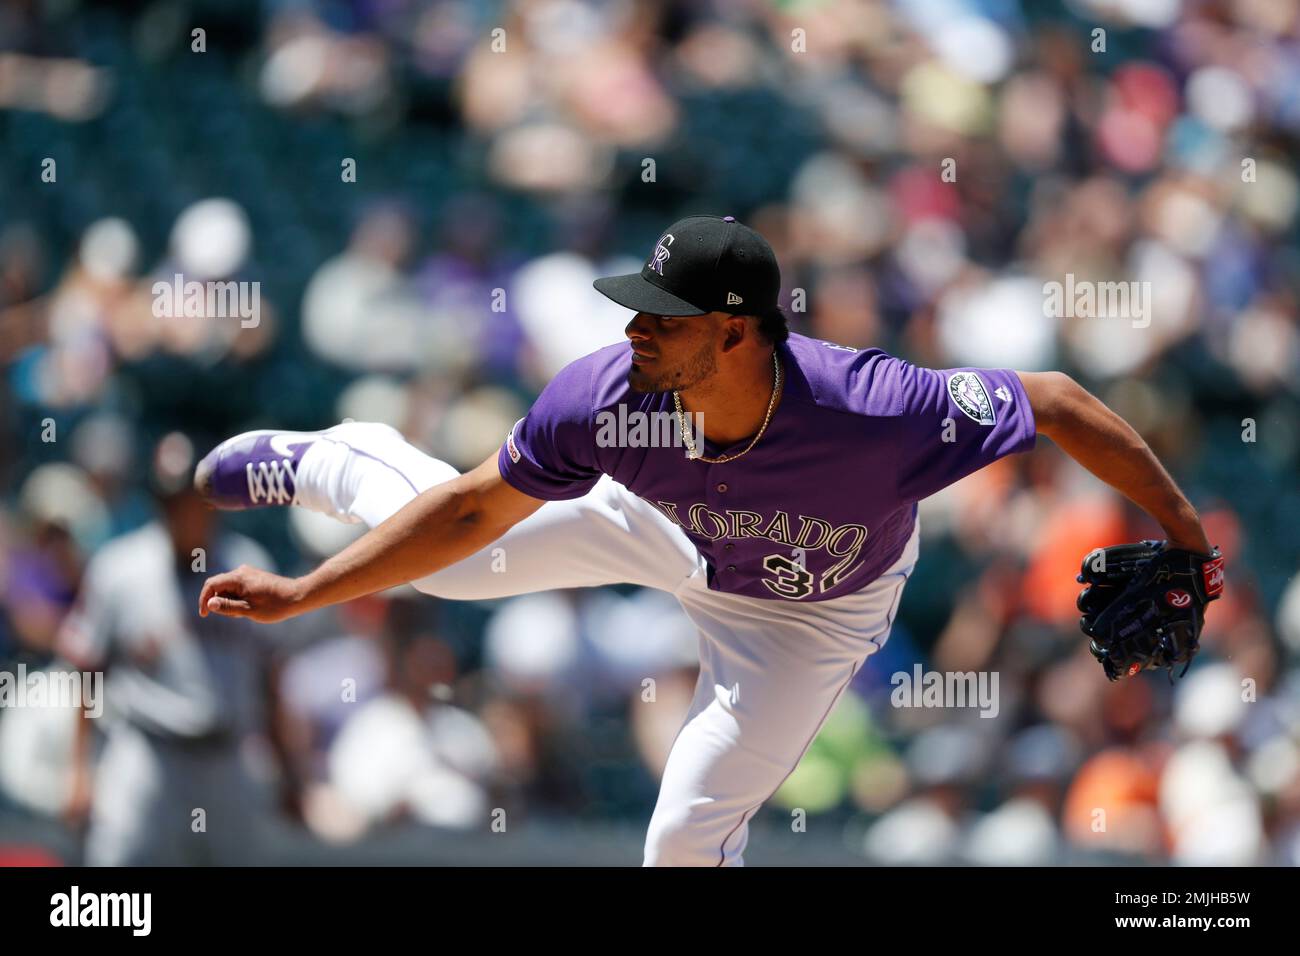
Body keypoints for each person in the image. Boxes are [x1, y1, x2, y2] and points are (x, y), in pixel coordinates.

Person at [193, 215, 1215, 866]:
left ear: (735, 330)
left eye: (664, 318)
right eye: (638, 311)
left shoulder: (877, 409)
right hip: (662, 524)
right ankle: (333, 459)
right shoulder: (605, 400)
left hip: (805, 613)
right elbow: (468, 506)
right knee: (462, 569)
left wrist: (1183, 534)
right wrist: (306, 590)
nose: (636, 331)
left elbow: (1060, 402)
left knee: (683, 835)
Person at [60, 432, 283, 865]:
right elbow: (87, 670)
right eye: (170, 499)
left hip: (229, 758)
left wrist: (292, 772)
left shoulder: (250, 567)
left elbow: (271, 677)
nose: (181, 510)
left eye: (191, 498)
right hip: (148, 756)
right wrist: (79, 770)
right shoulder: (119, 569)